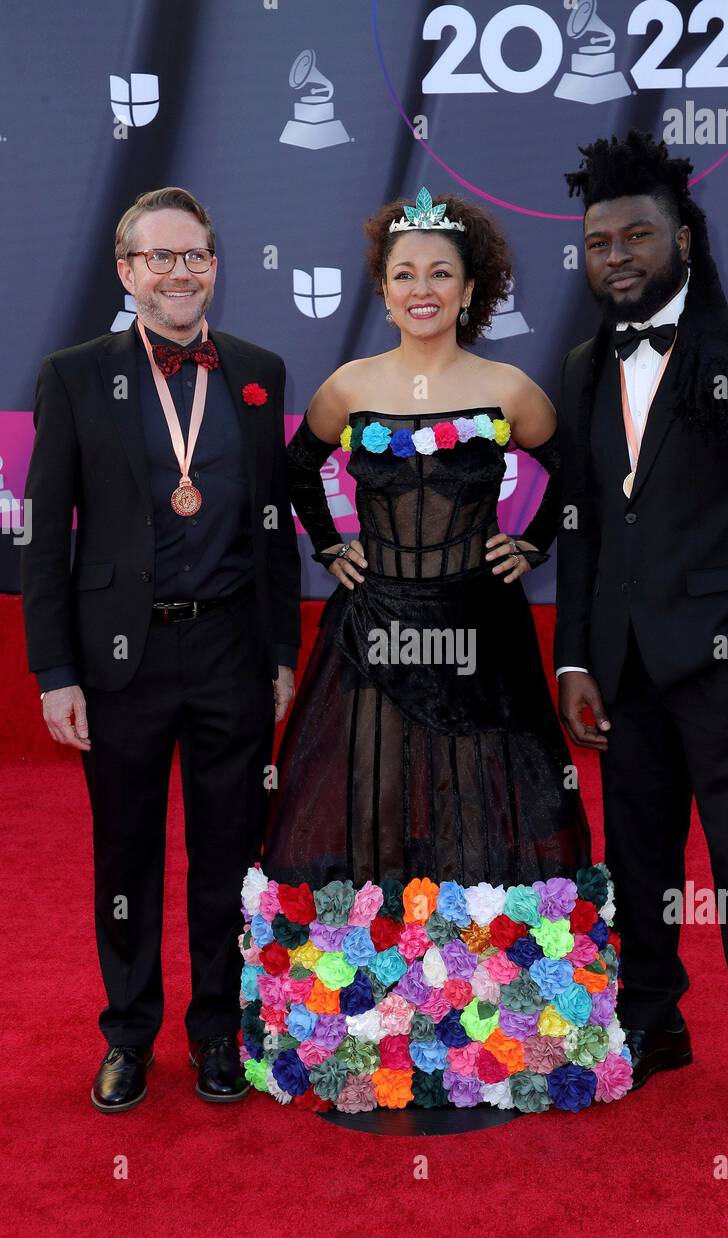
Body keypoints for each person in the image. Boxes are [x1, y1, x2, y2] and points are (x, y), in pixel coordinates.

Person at [240, 189, 631, 1115]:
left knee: (475, 801)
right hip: (369, 635)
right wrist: (329, 545)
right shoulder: (348, 386)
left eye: (440, 274)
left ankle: (487, 1017)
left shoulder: (507, 390)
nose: (422, 289)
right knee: (366, 801)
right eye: (404, 274)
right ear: (383, 289)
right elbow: (296, 472)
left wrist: (529, 542)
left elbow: (575, 473)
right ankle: (369, 1019)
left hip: (479, 636)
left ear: (470, 290)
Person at [554, 131, 728, 1138]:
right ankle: (653, 1022)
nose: (614, 254)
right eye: (595, 241)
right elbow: (582, 522)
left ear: (683, 239)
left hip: (725, 664)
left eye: (634, 235)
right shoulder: (582, 362)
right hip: (620, 666)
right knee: (637, 862)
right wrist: (573, 654)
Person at [21, 187, 300, 1112]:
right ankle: (129, 1036)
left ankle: (218, 1030)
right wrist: (55, 670)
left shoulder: (261, 373)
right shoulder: (72, 374)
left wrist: (281, 652)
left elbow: (275, 533)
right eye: (158, 258)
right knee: (127, 855)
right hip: (117, 660)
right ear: (126, 271)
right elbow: (46, 536)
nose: (179, 273)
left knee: (229, 852)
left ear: (216, 265)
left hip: (229, 650)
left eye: (195, 256)